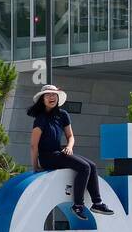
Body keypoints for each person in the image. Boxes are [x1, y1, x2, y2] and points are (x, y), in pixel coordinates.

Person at [27, 85, 113, 220]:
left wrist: (70, 147)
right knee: (84, 167)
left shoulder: (63, 115)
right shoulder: (40, 119)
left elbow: (71, 136)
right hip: (48, 156)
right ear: (42, 99)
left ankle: (97, 203)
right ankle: (78, 205)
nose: (52, 97)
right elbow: (34, 145)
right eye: (48, 95)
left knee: (92, 166)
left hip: (60, 152)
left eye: (54, 95)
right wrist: (35, 166)